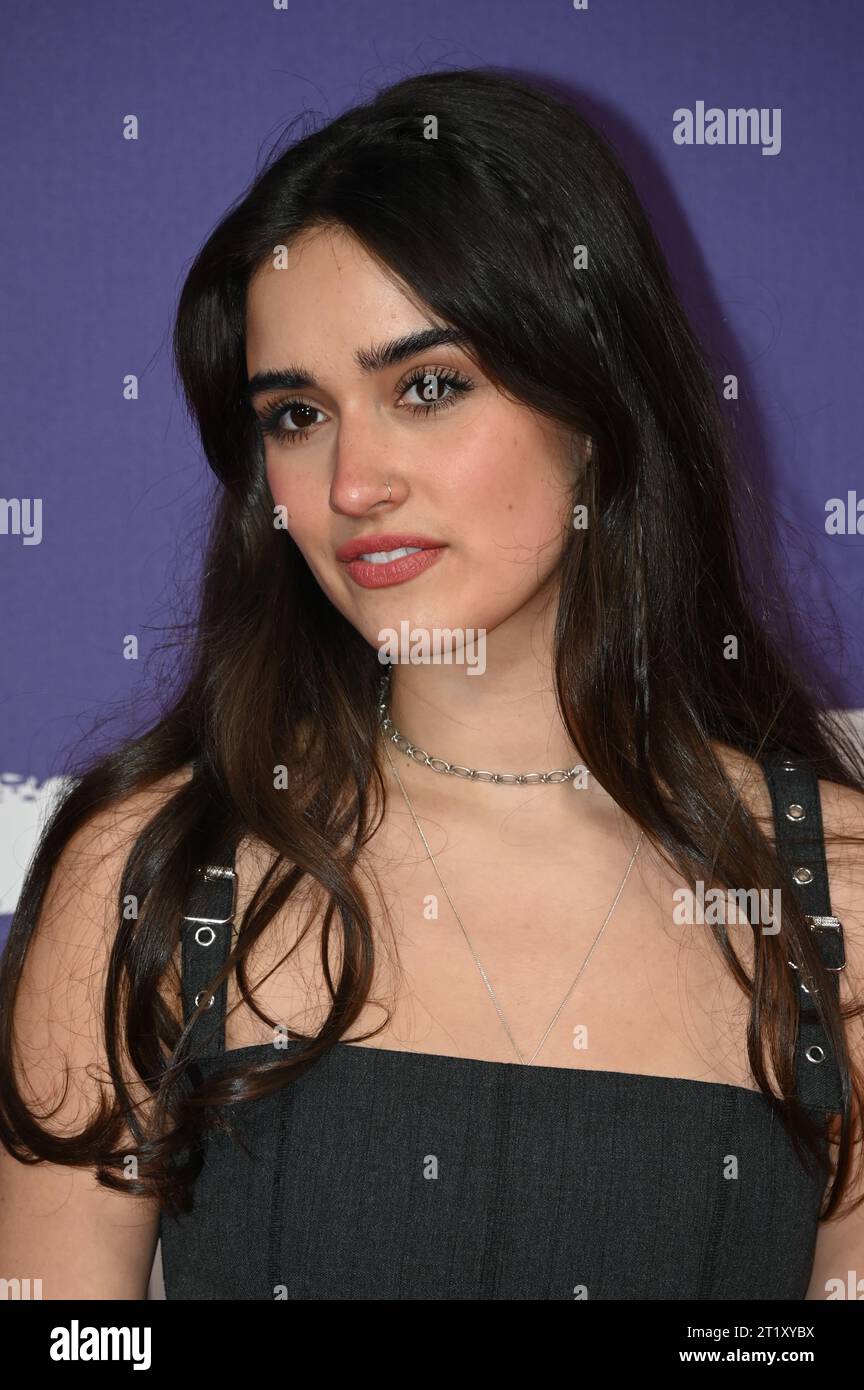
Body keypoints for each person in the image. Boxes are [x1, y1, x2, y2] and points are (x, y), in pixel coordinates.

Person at [1, 68, 862, 1302]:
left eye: (427, 386)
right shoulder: (154, 876)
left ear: (598, 400)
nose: (353, 482)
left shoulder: (835, 896)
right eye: (296, 413)